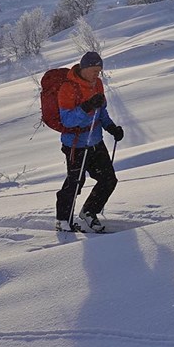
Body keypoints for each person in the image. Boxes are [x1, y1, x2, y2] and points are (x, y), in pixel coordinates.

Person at [56, 51, 124, 232]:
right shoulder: (68, 88)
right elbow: (67, 121)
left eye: (99, 70)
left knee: (109, 180)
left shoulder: (98, 85)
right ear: (84, 68)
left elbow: (102, 112)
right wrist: (86, 106)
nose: (97, 74)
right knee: (75, 183)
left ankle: (88, 211)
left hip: (96, 142)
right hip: (75, 145)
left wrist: (111, 127)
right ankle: (62, 220)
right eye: (94, 70)